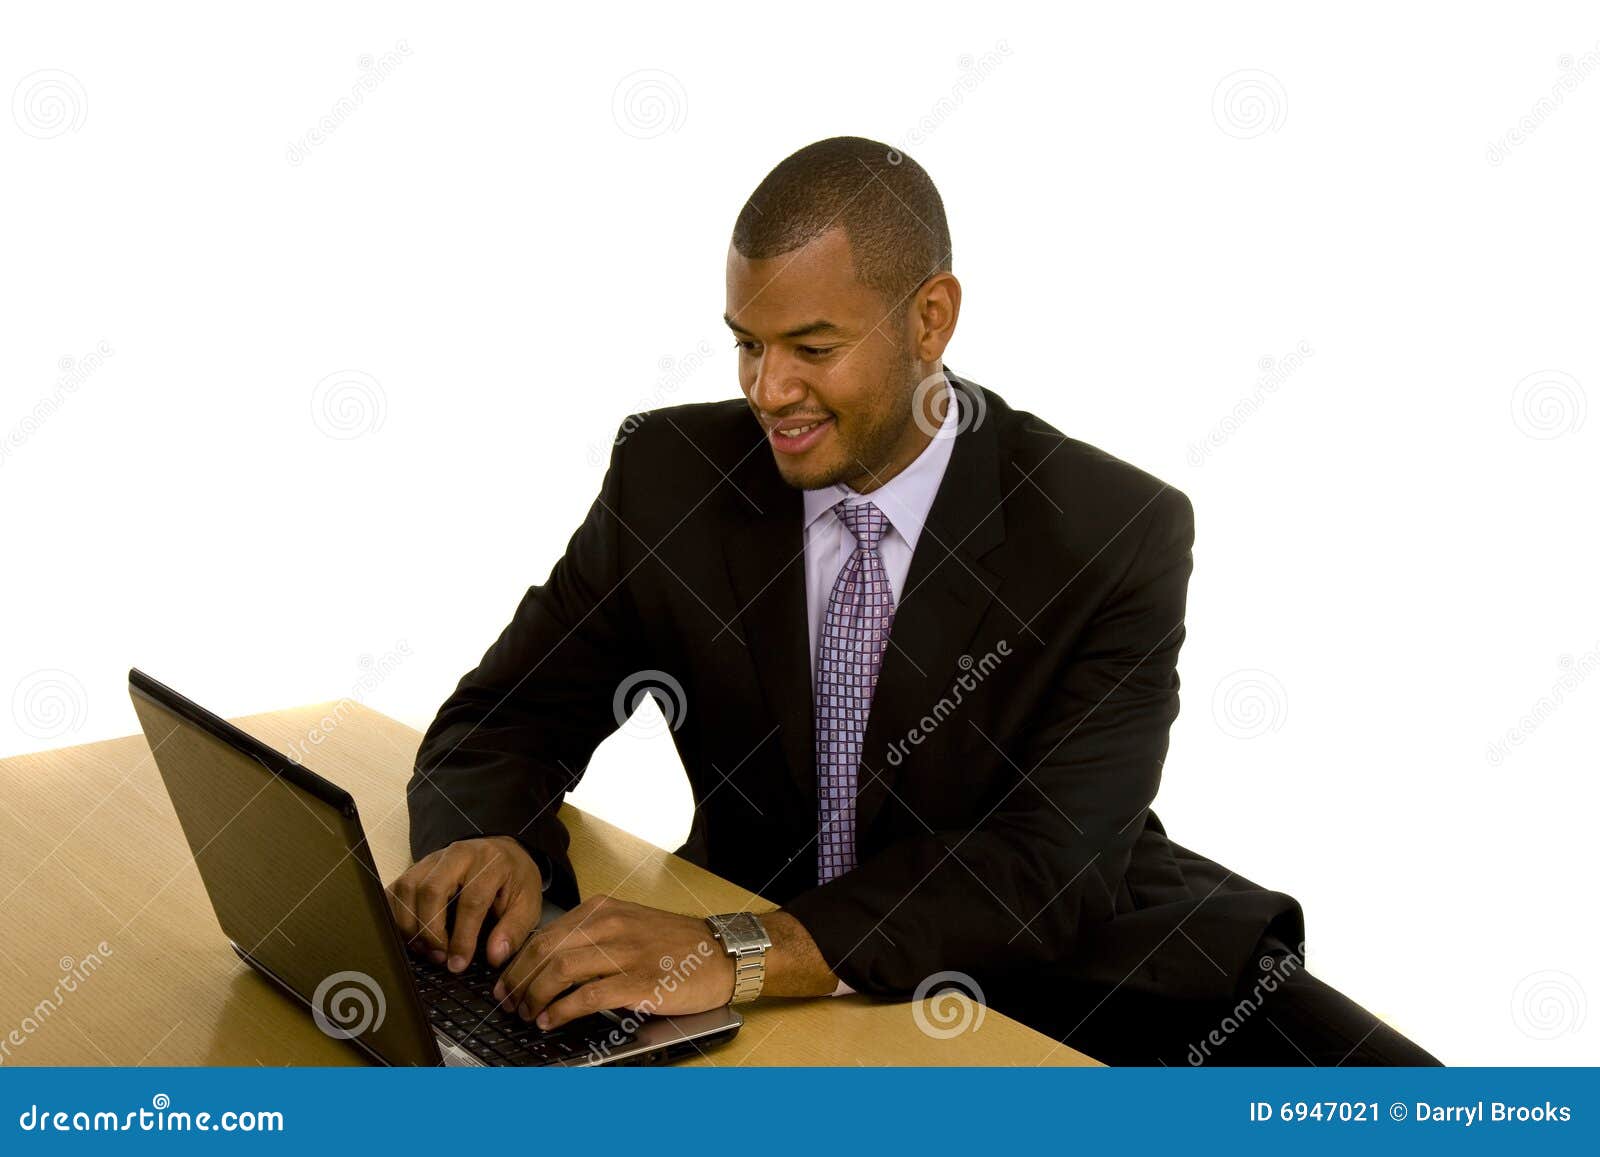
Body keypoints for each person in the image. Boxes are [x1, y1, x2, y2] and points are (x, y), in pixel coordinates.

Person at [386, 136, 1438, 1065]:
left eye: (812, 348)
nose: (767, 390)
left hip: (1078, 964)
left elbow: (1047, 869)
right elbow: (508, 715)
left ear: (929, 318)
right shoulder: (671, 476)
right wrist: (494, 847)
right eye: (747, 342)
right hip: (774, 991)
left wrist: (741, 951)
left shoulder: (1111, 531)